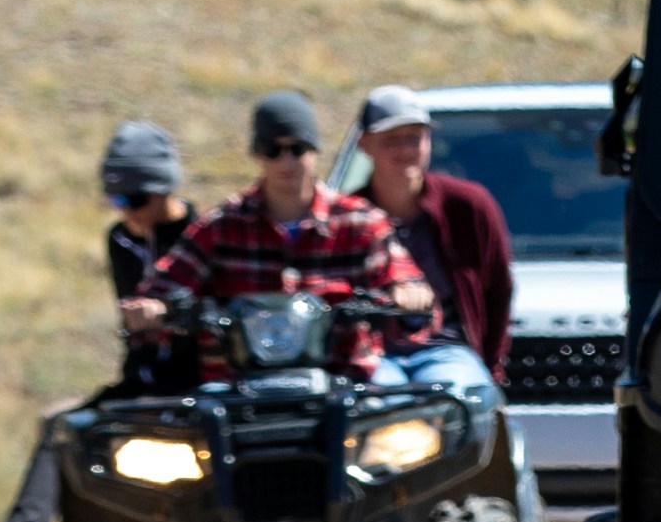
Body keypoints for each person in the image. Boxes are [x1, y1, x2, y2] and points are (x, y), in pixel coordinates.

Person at [0, 120, 198, 522]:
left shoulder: (201, 237)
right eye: (116, 201)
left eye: (134, 200)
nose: (125, 212)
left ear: (164, 188)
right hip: (142, 382)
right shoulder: (120, 240)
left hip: (195, 383)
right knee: (61, 427)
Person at [354, 83, 544, 522]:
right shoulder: (349, 217)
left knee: (470, 407)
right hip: (375, 357)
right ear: (365, 146)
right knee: (375, 417)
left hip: (446, 350)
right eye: (391, 140)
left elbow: (498, 290)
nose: (405, 150)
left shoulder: (468, 205)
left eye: (414, 137)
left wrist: (492, 365)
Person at [129, 91, 438, 370]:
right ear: (257, 154)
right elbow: (165, 286)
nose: (286, 161)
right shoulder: (222, 226)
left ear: (314, 150)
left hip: (341, 384)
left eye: (297, 148)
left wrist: (410, 297)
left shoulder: (360, 223)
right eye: (272, 150)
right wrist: (152, 309)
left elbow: (404, 283)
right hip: (238, 389)